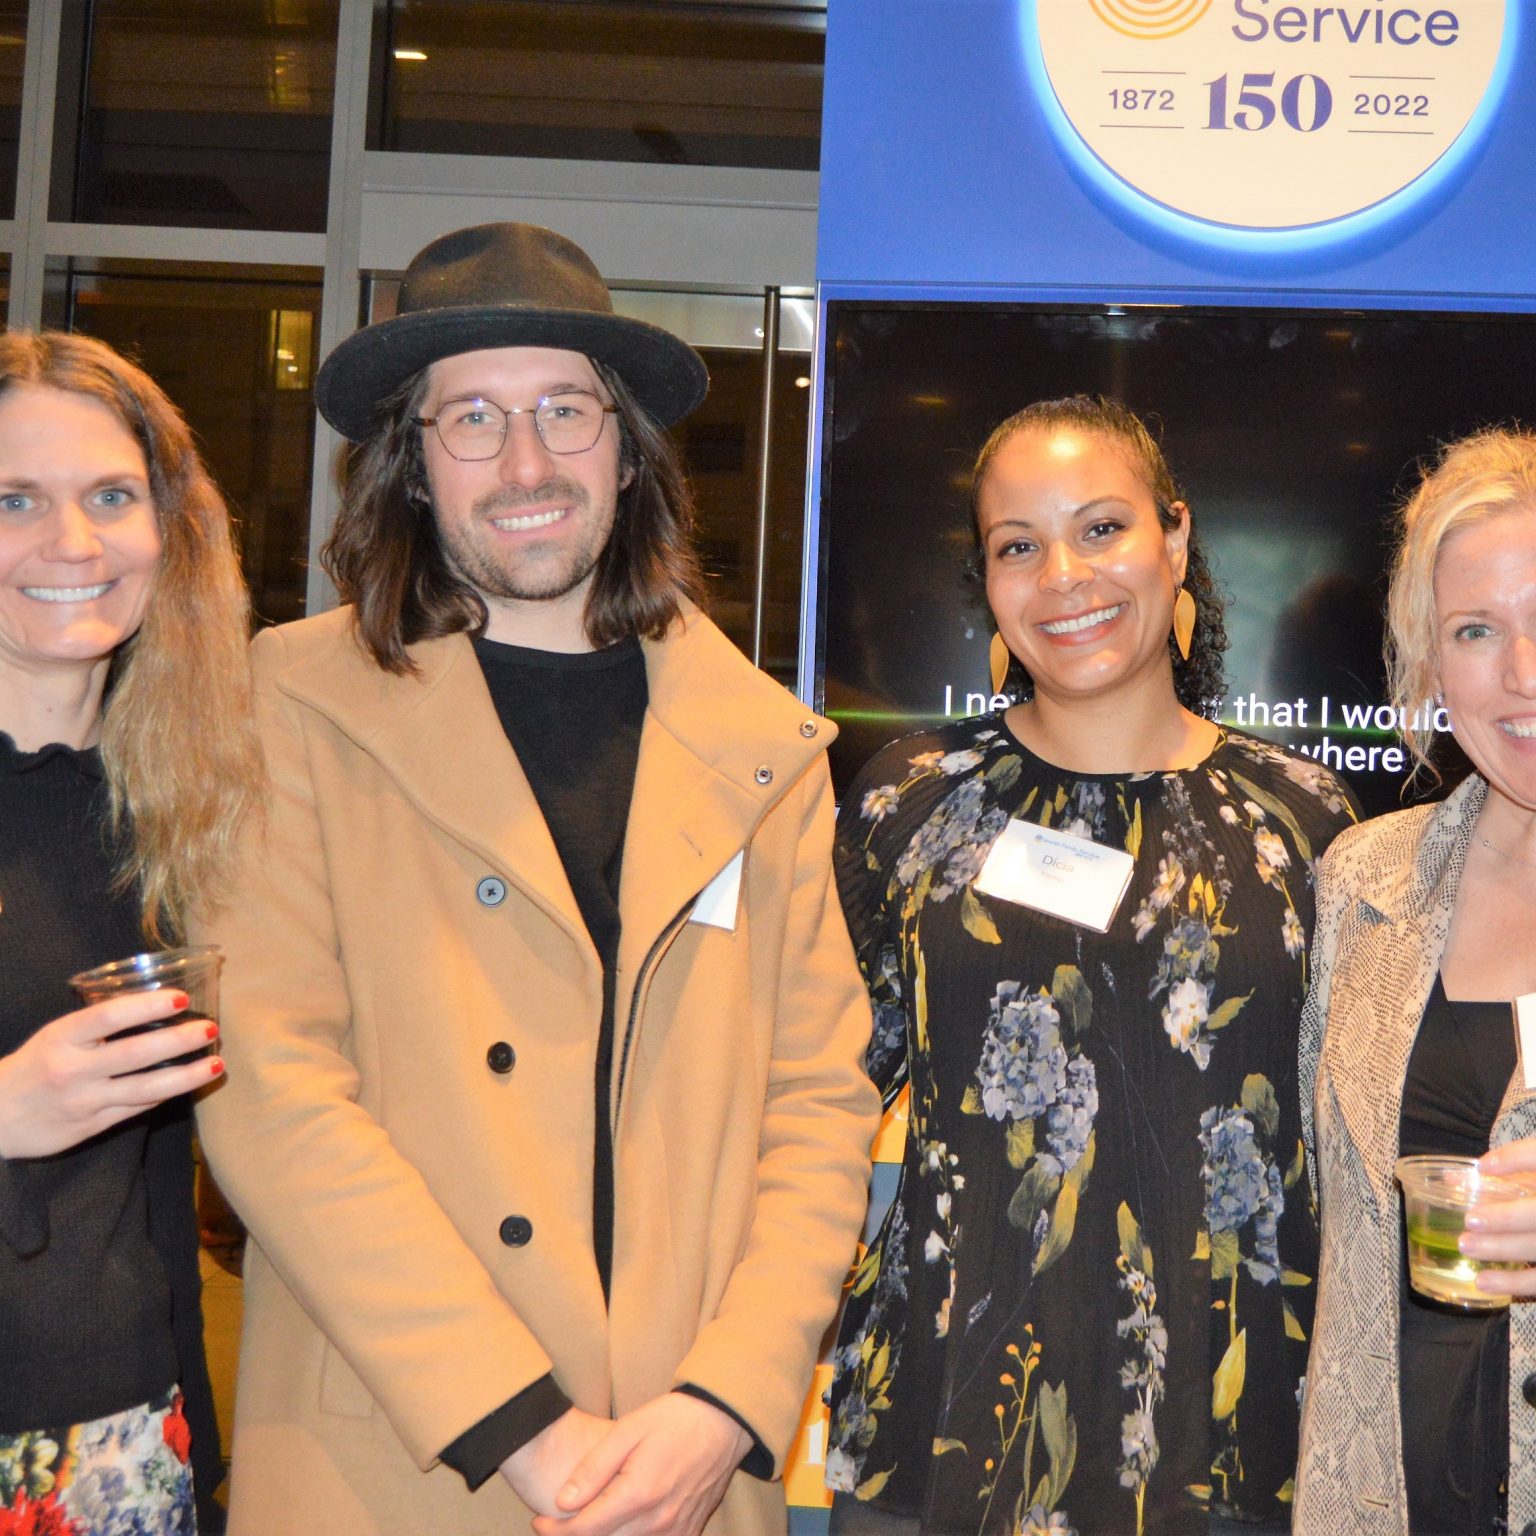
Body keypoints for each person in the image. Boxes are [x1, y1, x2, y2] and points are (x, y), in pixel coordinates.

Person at [192, 221, 881, 1536]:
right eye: (473, 421)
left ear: (626, 453)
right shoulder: (287, 703)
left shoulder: (764, 749)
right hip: (404, 1452)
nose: (526, 462)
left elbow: (818, 1103)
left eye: (565, 409)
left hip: (676, 1465)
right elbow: (274, 1089)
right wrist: (521, 1427)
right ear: (409, 465)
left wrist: (728, 1403)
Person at [824, 396, 1359, 1535]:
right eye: (1018, 545)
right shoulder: (910, 803)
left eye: (1102, 528)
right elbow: (808, 1093)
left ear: (1175, 540)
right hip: (949, 1427)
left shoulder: (1307, 821)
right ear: (989, 582)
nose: (1063, 574)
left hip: (1241, 1435)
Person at [0, 331, 258, 1532]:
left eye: (112, 496)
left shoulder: (183, 806)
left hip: (120, 1447)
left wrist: (192, 1457)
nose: (73, 545)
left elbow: (158, 1197)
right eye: (15, 500)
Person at [1295, 428, 1536, 1536]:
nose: (1522, 672)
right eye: (1477, 631)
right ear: (1432, 668)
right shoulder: (1365, 882)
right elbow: (1330, 1223)